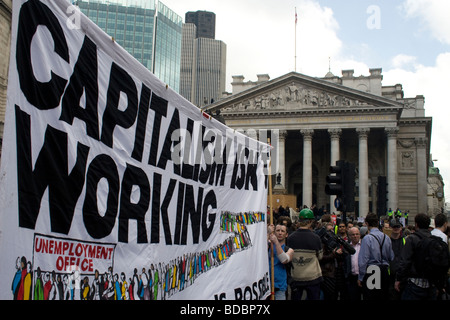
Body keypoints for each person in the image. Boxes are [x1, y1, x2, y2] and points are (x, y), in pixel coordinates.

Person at [395, 213, 447, 300]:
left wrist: (398, 279)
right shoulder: (435, 240)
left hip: (414, 283)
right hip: (431, 284)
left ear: (416, 225)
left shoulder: (411, 239)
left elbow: (405, 261)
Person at [287, 208, 323, 300]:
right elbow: (320, 256)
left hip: (296, 277)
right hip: (313, 277)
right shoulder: (316, 238)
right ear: (310, 221)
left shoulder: (290, 238)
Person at [358, 212, 394, 300]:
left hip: (372, 271)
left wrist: (361, 277)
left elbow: (363, 260)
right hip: (384, 270)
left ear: (367, 223)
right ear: (378, 223)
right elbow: (391, 257)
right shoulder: (387, 237)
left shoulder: (367, 238)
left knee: (371, 297)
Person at [267, 223, 294, 300]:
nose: (280, 233)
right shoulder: (269, 246)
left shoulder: (289, 250)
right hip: (266, 286)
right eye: (278, 230)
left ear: (286, 235)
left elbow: (284, 259)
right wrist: (268, 233)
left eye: (282, 231)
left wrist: (276, 242)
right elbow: (259, 251)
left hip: (280, 287)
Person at [388, 218, 406, 300]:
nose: (396, 229)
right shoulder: (386, 241)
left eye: (397, 227)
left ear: (401, 228)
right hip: (389, 276)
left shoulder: (405, 240)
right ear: (390, 227)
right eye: (394, 227)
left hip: (402, 276)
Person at [347, 227, 362, 300]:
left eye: (357, 234)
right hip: (352, 278)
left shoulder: (364, 245)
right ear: (349, 236)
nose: (355, 236)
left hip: (363, 276)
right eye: (353, 235)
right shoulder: (347, 247)